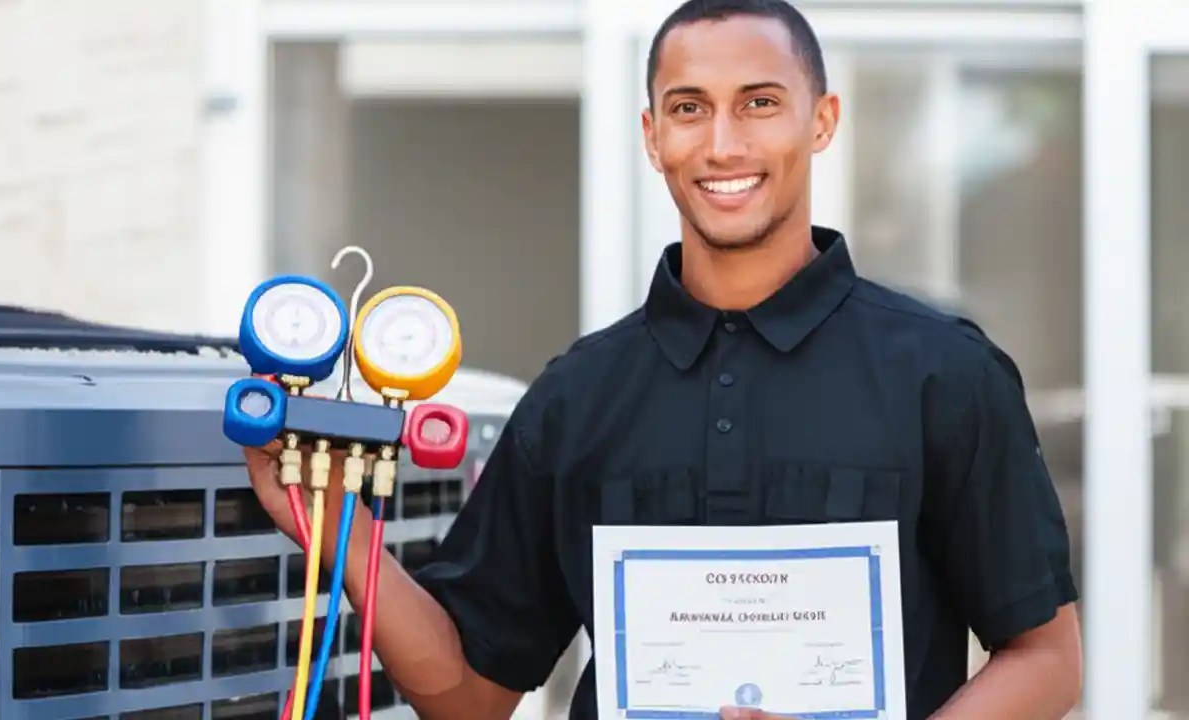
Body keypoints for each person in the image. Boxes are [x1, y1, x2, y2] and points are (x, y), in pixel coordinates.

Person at [245, 1, 1083, 717]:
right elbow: (469, 695)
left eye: (759, 102)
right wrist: (342, 536)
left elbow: (1047, 659)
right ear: (653, 136)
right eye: (689, 108)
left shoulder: (943, 373)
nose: (722, 144)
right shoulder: (577, 395)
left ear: (820, 119)